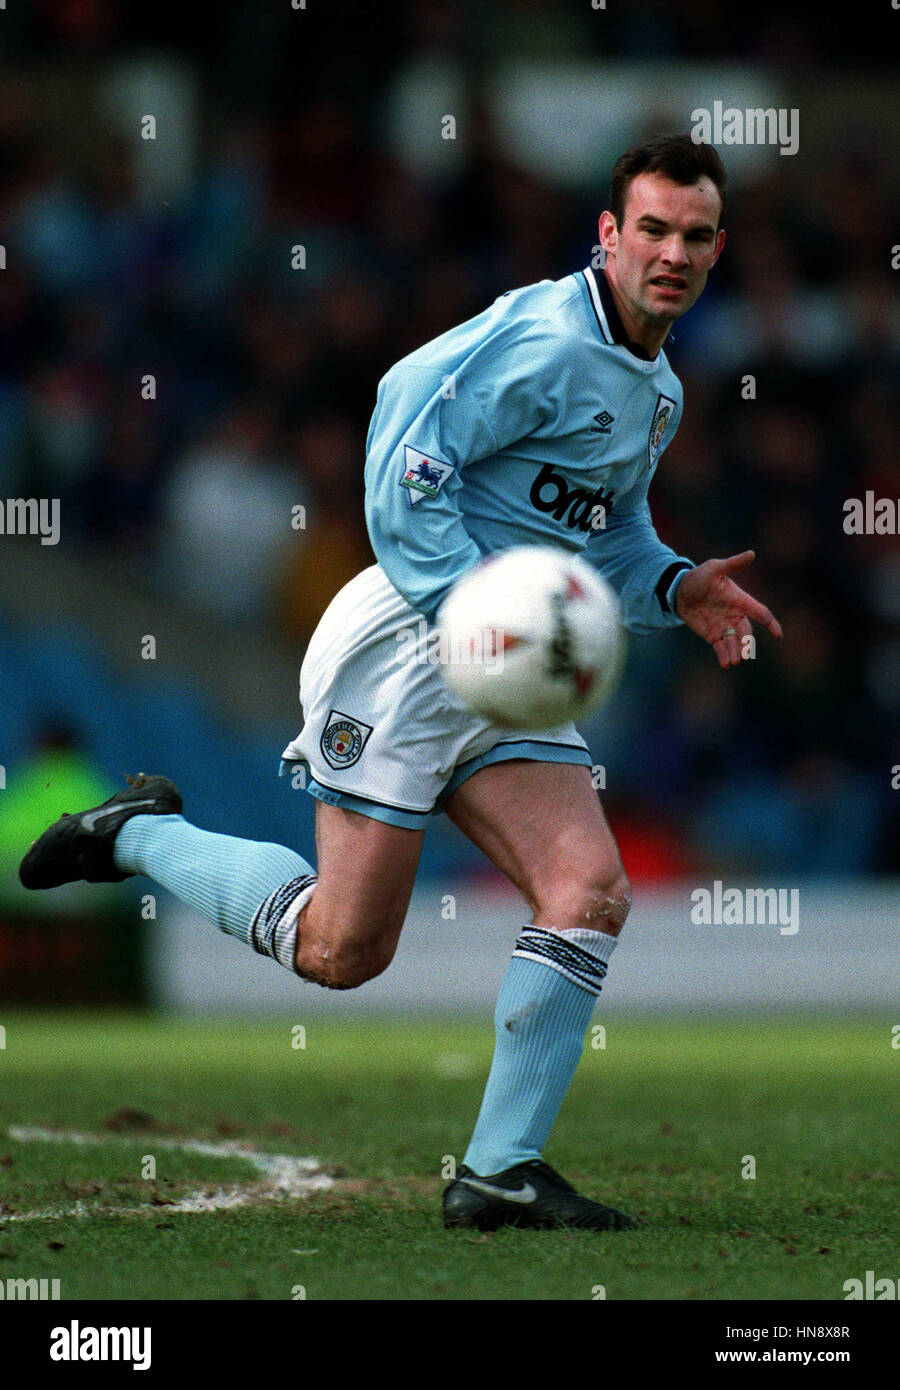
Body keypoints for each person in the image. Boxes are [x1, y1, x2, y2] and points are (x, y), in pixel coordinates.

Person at [20, 132, 782, 1232]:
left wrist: (676, 584)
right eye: (651, 229)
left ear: (718, 251)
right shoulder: (536, 335)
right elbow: (402, 437)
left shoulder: (657, 390)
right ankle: (138, 832)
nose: (672, 252)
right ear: (609, 236)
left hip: (510, 670)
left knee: (591, 889)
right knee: (342, 950)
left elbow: (605, 538)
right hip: (411, 648)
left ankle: (498, 1173)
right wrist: (472, 607)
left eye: (695, 235)